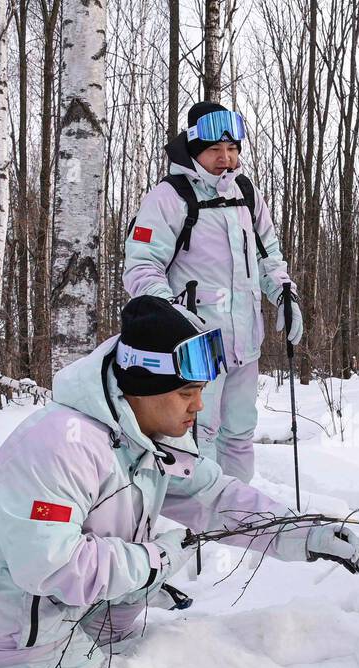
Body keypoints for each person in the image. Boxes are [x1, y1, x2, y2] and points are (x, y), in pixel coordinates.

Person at [0, 296, 359, 668]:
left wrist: (305, 534)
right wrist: (154, 562)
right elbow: (49, 565)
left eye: (200, 392)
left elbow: (214, 498)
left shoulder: (148, 436)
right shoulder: (60, 445)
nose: (198, 406)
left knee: (132, 634)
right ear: (142, 386)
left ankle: (100, 640)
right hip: (0, 628)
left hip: (53, 605)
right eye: (187, 393)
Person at [122, 102, 297, 483]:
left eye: (233, 149)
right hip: (196, 344)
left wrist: (284, 294)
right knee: (196, 435)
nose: (226, 159)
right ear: (195, 150)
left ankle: (239, 518)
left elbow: (270, 256)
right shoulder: (169, 197)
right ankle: (198, 526)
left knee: (239, 433)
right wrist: (171, 316)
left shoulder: (247, 194)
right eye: (216, 150)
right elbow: (140, 266)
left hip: (246, 340)